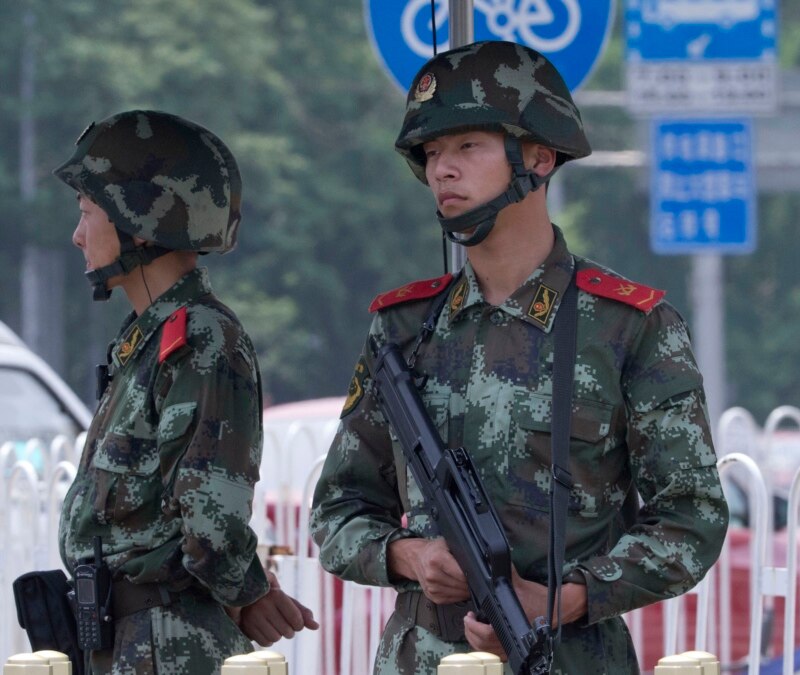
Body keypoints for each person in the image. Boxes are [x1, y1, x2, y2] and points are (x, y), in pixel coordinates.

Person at [309, 41, 728, 674]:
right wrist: (413, 557)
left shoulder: (628, 327)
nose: (442, 170)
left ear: (539, 156)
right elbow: (338, 508)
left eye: (467, 146)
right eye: (431, 153)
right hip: (422, 658)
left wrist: (569, 598)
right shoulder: (404, 329)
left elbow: (691, 517)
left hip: (573, 655)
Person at [55, 109, 317, 673]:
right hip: (126, 640)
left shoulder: (202, 339)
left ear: (141, 224)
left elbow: (210, 519)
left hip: (167, 645)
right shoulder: (147, 340)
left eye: (88, 213)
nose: (78, 235)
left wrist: (246, 591)